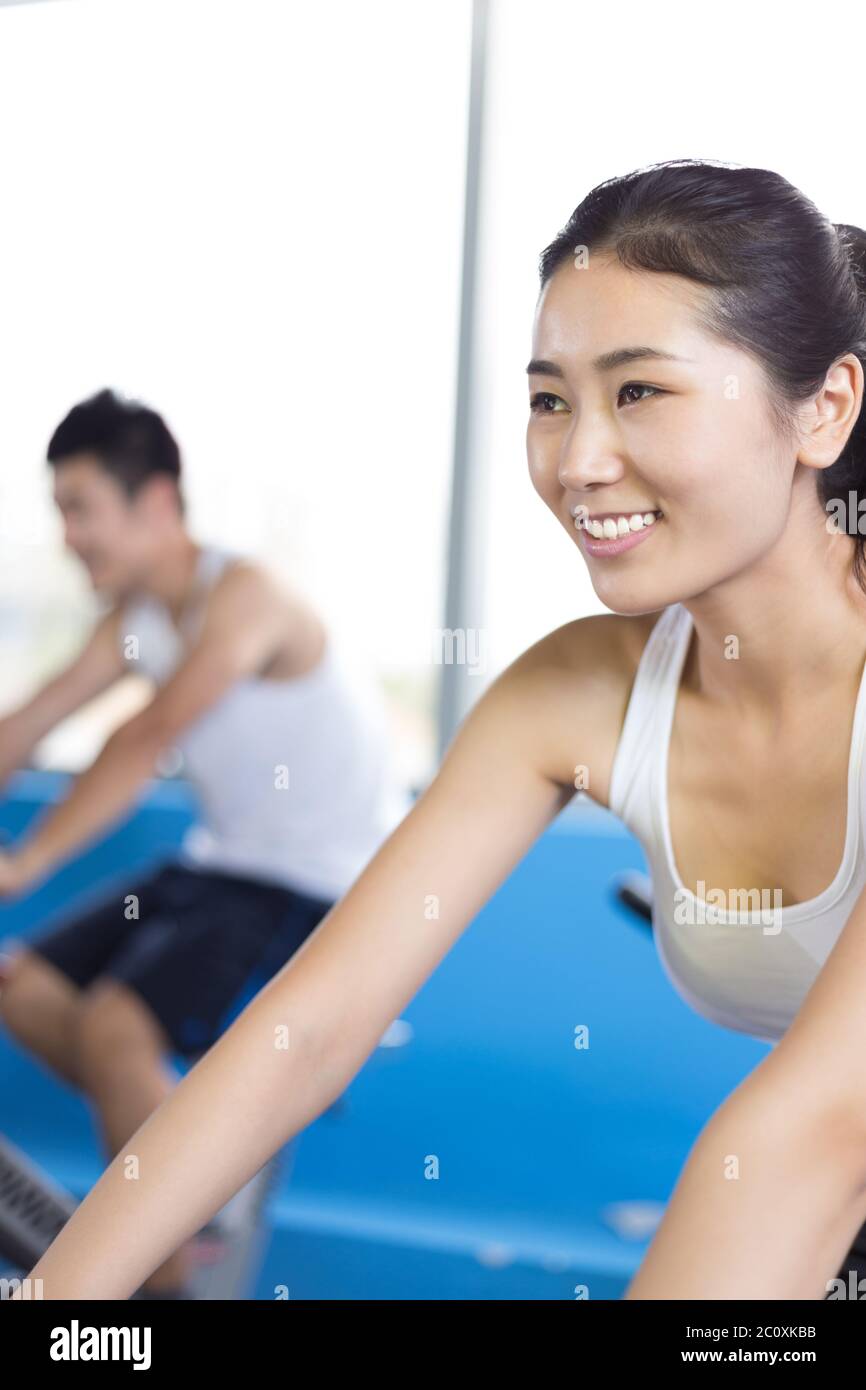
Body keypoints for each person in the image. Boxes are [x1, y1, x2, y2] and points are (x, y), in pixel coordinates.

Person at [12, 158, 866, 1302]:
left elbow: (806, 1135)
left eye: (640, 391)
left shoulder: (242, 600)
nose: (575, 462)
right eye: (549, 399)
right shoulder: (573, 691)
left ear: (821, 407)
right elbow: (305, 1033)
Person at [0, 387, 409, 1298]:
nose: (68, 535)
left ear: (153, 503)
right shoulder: (138, 619)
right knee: (21, 986)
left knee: (114, 1027)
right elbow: (29, 720)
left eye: (79, 510)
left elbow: (145, 740)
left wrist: (24, 864)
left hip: (317, 883)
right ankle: (212, 1153)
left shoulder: (246, 598)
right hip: (224, 861)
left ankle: (163, 1289)